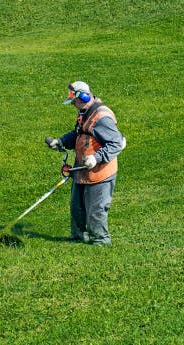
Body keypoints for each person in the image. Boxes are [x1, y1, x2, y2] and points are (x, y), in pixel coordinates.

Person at [46, 81, 125, 245]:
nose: (72, 104)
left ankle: (100, 240)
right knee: (77, 207)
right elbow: (79, 134)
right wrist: (60, 142)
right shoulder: (84, 113)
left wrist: (96, 158)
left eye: (73, 100)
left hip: (100, 172)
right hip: (82, 169)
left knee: (96, 210)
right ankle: (77, 237)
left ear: (83, 97)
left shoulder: (102, 117)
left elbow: (116, 143)